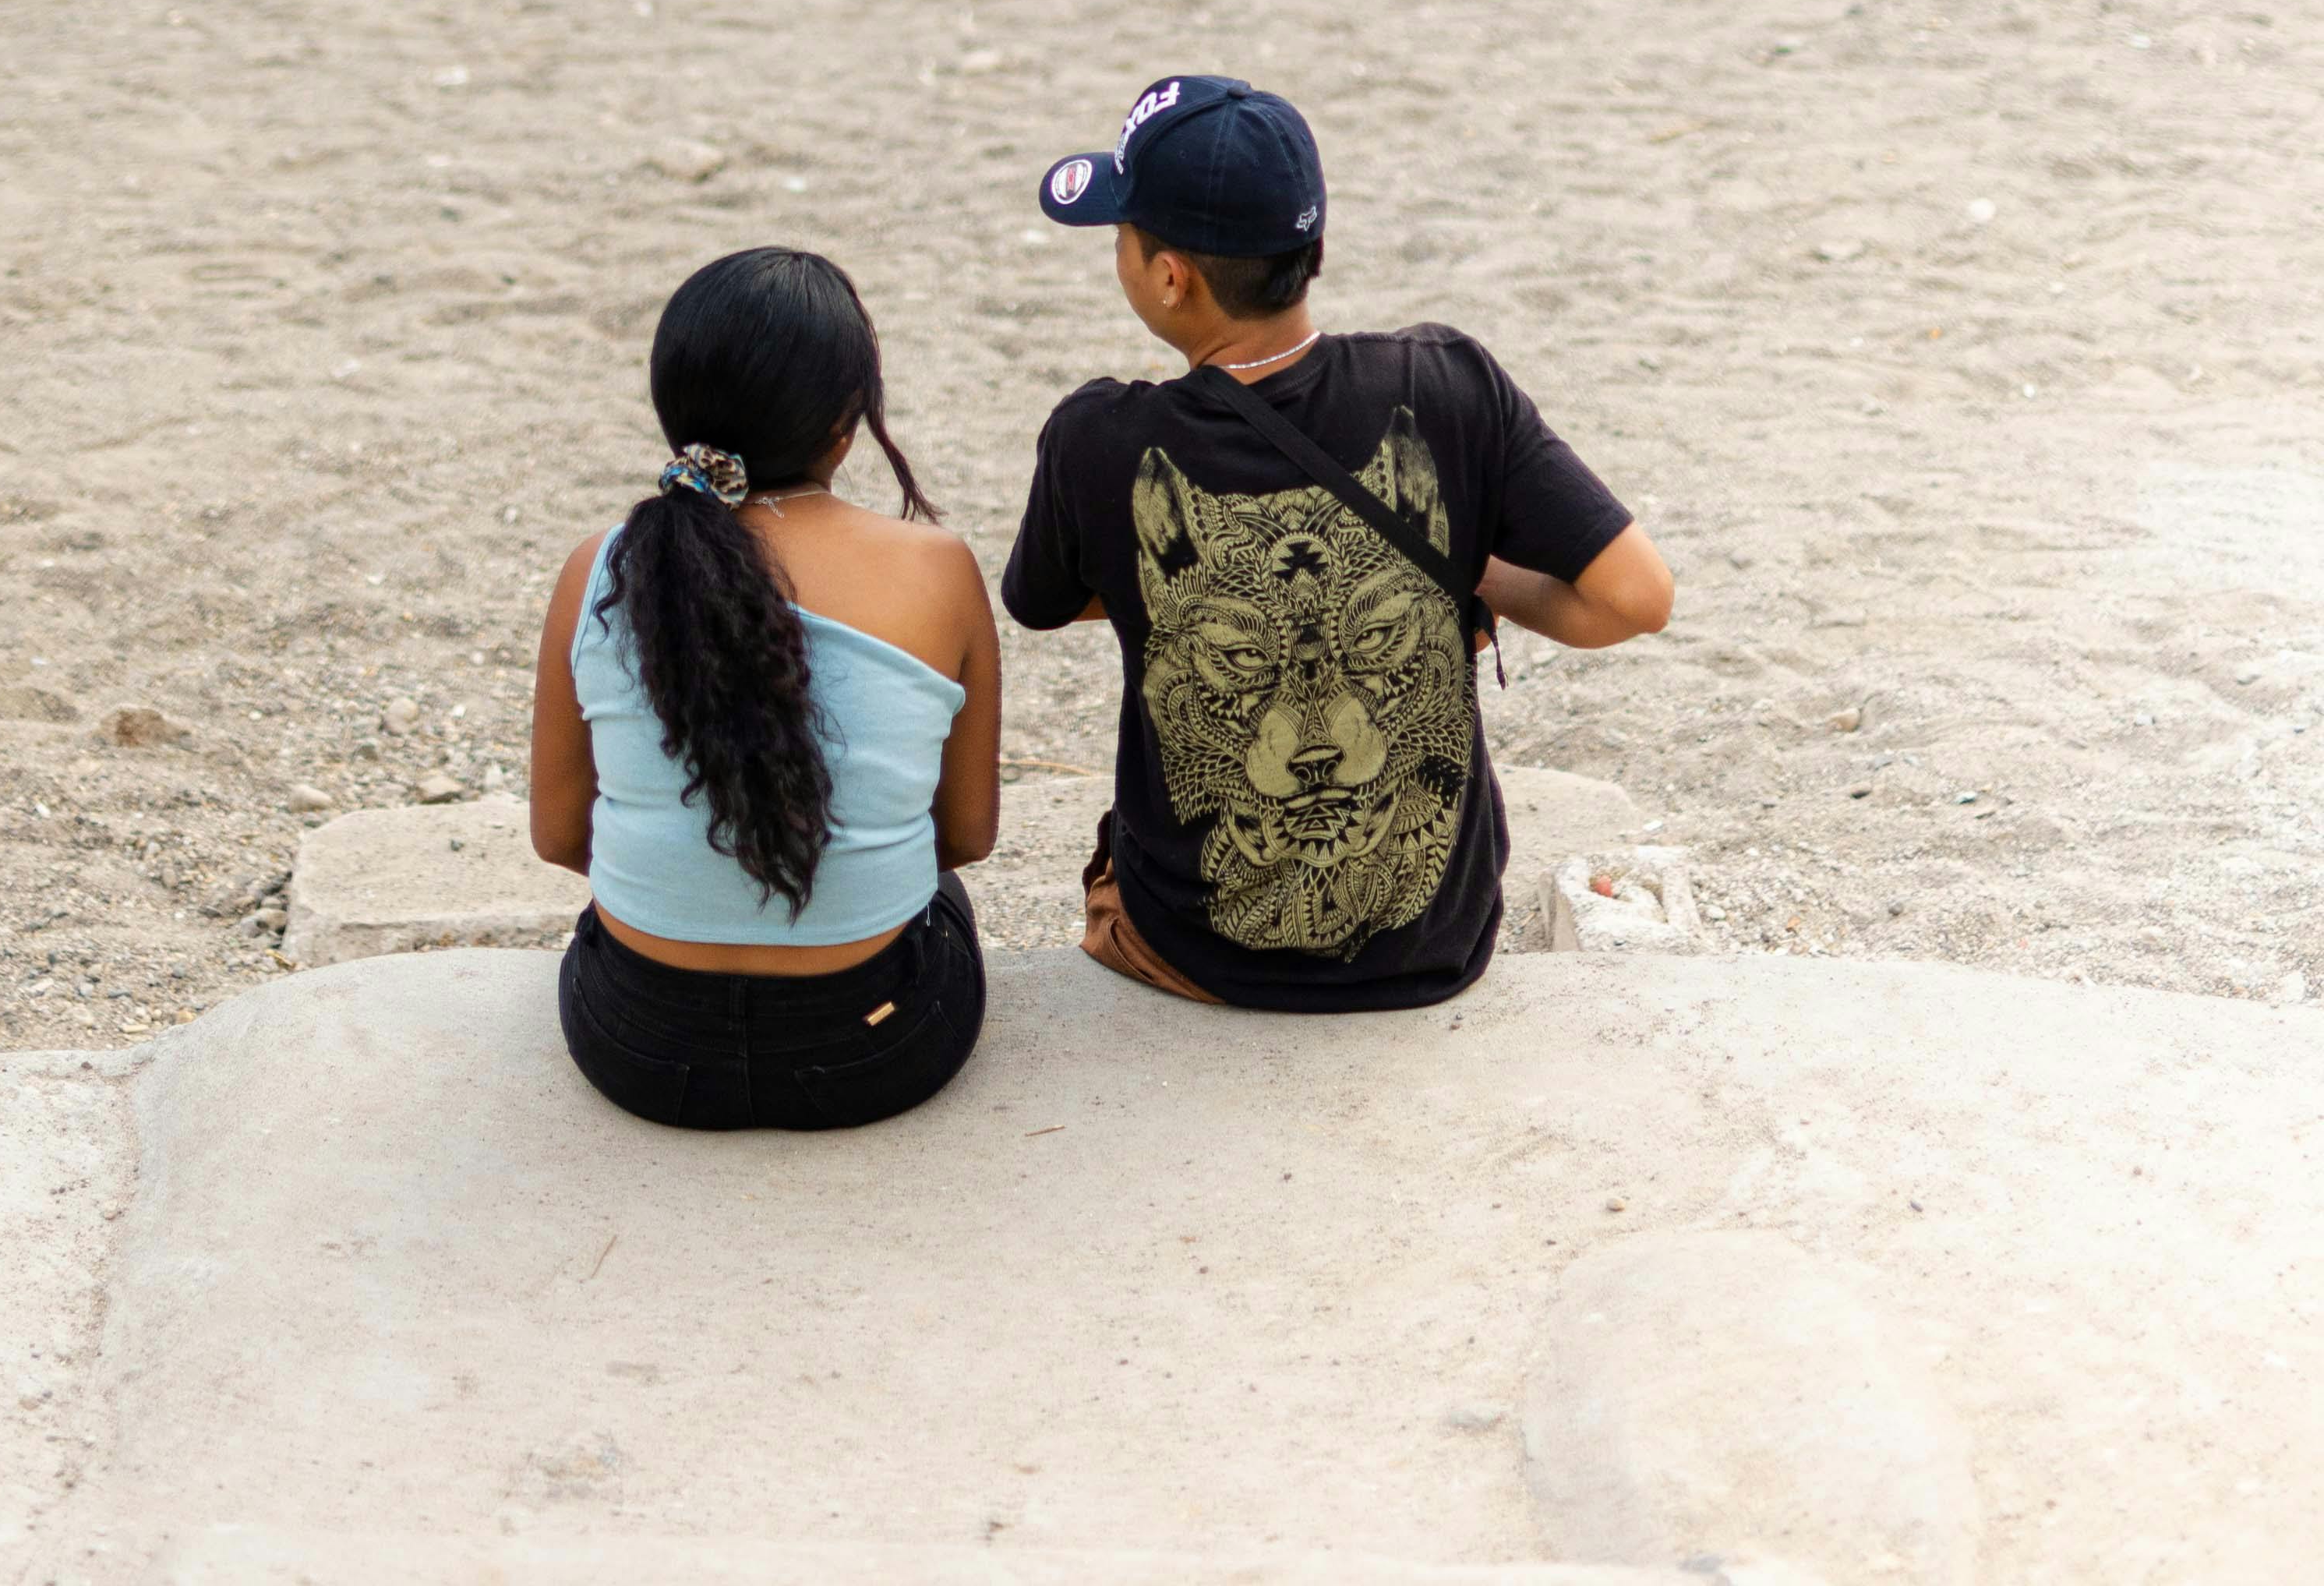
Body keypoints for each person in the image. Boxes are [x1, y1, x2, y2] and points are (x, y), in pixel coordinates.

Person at [1002, 76, 1671, 1014]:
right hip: (1437, 945)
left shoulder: (1099, 440)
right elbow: (1638, 599)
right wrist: (1457, 564)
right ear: (1312, 247)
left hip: (1198, 955)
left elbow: (1039, 601)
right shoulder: (1451, 385)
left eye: (1122, 234)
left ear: (1168, 275)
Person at [530, 245, 1000, 1130]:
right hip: (876, 1049)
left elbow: (560, 838)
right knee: (934, 896)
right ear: (845, 425)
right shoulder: (936, 570)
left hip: (640, 1045)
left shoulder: (598, 570)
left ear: (674, 411)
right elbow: (964, 838)